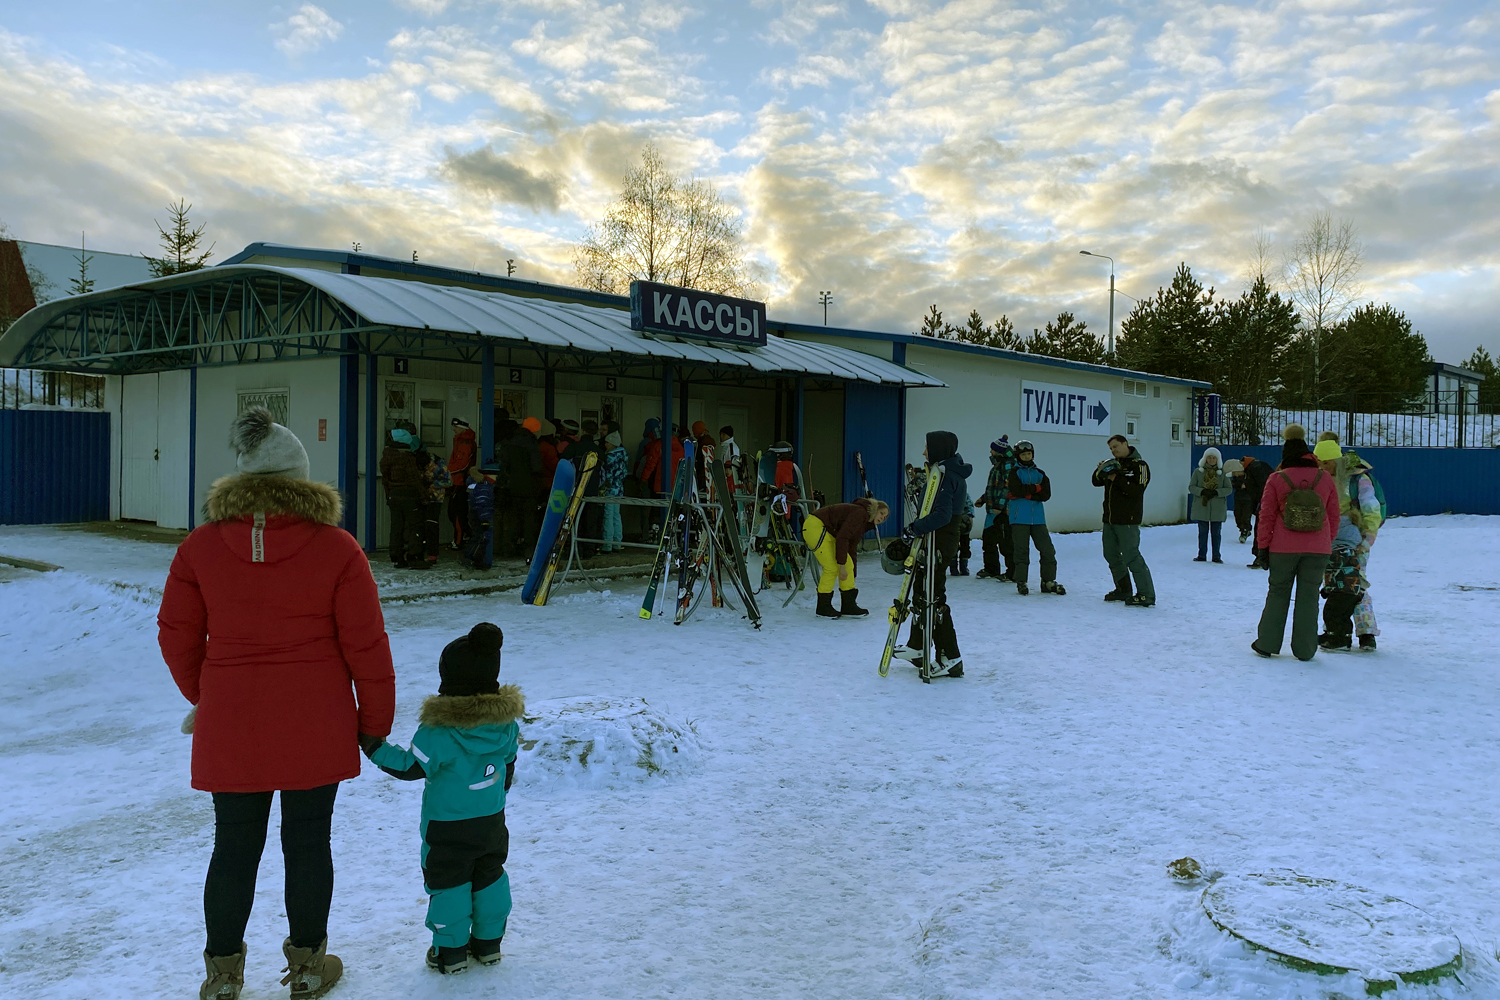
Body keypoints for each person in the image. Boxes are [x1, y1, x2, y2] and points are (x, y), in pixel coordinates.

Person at [158, 406, 395, 1000]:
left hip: (232, 725)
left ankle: (222, 976)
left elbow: (175, 635)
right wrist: (374, 724)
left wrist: (209, 696)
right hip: (316, 724)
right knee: (308, 842)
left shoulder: (199, 547)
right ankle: (310, 967)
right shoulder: (338, 549)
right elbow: (366, 645)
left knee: (233, 847)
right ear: (302, 481)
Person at [361, 623, 523, 976]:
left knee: (449, 882)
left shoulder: (438, 731)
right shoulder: (506, 724)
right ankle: (489, 944)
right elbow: (508, 763)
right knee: (490, 875)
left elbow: (409, 766)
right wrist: (497, 792)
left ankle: (450, 952)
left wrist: (373, 746)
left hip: (447, 825)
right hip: (491, 820)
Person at [1252, 424, 1341, 660]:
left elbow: (1266, 517)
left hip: (1282, 548)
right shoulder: (1325, 479)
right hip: (1318, 549)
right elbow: (1333, 517)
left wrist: (1262, 547)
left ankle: (1267, 643)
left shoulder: (1276, 479)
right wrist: (1325, 542)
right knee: (1309, 597)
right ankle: (1305, 649)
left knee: (1278, 592)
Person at [893, 431, 970, 676]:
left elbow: (942, 515)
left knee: (934, 599)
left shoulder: (947, 476)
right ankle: (917, 646)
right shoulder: (941, 473)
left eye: (927, 447)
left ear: (938, 449)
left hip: (941, 540)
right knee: (921, 593)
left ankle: (951, 657)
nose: (924, 452)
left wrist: (913, 529)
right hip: (933, 540)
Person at [803, 497, 890, 619]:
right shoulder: (860, 513)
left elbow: (851, 546)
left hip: (827, 531)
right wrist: (841, 565)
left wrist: (851, 571)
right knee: (832, 567)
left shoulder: (865, 522)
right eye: (882, 513)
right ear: (875, 509)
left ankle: (848, 605)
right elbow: (842, 538)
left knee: (848, 565)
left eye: (885, 517)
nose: (882, 518)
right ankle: (823, 607)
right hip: (815, 526)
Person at [1091, 434, 1152, 605]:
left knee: (1131, 556)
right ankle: (1123, 589)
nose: (1114, 450)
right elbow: (1095, 481)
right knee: (1110, 555)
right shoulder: (1114, 465)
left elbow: (1136, 490)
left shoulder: (1140, 466)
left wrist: (1117, 478)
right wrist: (1101, 470)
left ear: (1126, 444)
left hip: (1128, 520)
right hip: (1110, 519)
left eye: (1116, 446)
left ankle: (1146, 593)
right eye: (1111, 448)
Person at [1344, 450, 1385, 649]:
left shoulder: (1359, 482)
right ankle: (1366, 632)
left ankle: (1339, 629)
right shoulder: (1363, 480)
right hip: (1359, 541)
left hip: (1355, 542)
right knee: (1357, 584)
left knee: (1341, 585)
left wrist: (1366, 541)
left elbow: (1371, 511)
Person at [497, 419, 542, 558]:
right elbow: (537, 467)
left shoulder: (509, 443)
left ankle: (509, 548)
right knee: (529, 518)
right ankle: (528, 548)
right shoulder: (532, 444)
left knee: (513, 518)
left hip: (511, 487)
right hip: (529, 487)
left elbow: (503, 466)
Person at [382, 429, 426, 569]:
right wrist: (424, 495)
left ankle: (397, 556)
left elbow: (385, 480)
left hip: (393, 495)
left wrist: (389, 495)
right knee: (414, 526)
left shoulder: (386, 457)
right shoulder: (407, 457)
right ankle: (414, 557)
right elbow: (414, 480)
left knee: (396, 527)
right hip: (409, 495)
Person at [975, 437, 1015, 581]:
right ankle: (991, 569)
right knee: (988, 540)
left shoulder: (1008, 465)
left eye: (992, 449)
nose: (990, 452)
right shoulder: (998, 465)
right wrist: (984, 499)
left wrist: (999, 506)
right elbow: (994, 487)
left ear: (999, 451)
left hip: (1003, 511)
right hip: (992, 510)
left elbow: (1007, 487)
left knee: (1006, 543)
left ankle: (1013, 572)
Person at [1189, 447, 1230, 563]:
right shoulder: (1198, 472)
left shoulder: (1222, 473)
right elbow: (1191, 487)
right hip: (1202, 507)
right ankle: (1202, 555)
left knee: (1216, 533)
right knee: (1202, 533)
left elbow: (1228, 488)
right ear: (1205, 459)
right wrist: (1202, 491)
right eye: (1209, 457)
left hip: (1217, 508)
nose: (1211, 460)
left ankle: (1216, 556)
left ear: (1218, 459)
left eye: (1214, 458)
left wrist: (1217, 492)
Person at [1239, 454, 1274, 568]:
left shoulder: (1255, 468)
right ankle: (1260, 556)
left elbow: (1263, 488)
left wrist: (1260, 505)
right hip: (1265, 504)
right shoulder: (1255, 467)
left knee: (1261, 529)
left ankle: (1261, 557)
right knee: (1260, 529)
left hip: (1267, 505)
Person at [446, 419, 476, 550]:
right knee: (457, 513)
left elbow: (462, 464)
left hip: (459, 482)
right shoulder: (462, 441)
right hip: (459, 481)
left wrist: (447, 471)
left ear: (463, 428)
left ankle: (459, 540)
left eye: (456, 427)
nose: (454, 429)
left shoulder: (464, 443)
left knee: (456, 513)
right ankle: (466, 535)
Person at [419, 448, 449, 566]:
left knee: (432, 526)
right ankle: (423, 552)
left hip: (436, 499)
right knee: (423, 526)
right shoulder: (421, 463)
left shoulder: (440, 466)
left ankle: (432, 554)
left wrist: (433, 484)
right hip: (424, 497)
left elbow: (448, 482)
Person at [600, 429, 629, 552]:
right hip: (619, 489)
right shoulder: (623, 455)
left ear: (612, 443)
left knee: (608, 516)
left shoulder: (609, 457)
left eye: (607, 442)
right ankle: (617, 542)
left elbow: (606, 475)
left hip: (609, 489)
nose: (605, 444)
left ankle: (607, 544)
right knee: (616, 516)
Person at [1224, 459, 1251, 543]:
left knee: (1246, 516)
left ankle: (1245, 531)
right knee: (1237, 515)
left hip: (1248, 499)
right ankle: (1242, 529)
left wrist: (1245, 485)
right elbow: (1233, 484)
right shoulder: (1236, 476)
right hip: (1238, 497)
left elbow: (1250, 485)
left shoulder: (1248, 475)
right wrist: (1240, 485)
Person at [718, 425, 748, 493]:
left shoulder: (732, 447)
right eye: (720, 434)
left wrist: (730, 470)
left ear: (728, 436)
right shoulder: (724, 446)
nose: (721, 436)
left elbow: (735, 462)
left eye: (723, 434)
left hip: (731, 477)